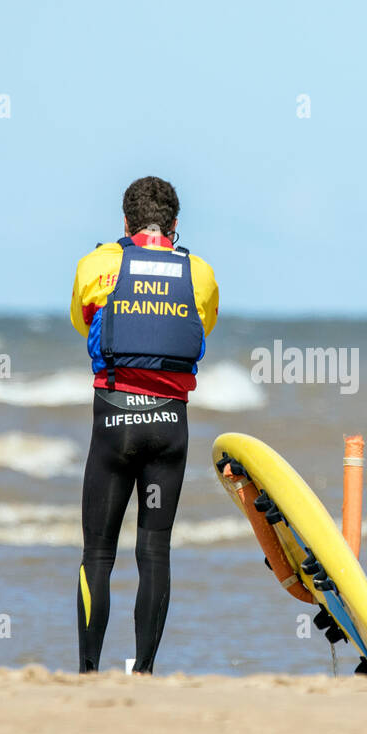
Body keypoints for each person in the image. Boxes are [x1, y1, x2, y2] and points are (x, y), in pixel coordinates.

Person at [69, 176, 219, 674]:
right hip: (168, 432)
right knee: (154, 550)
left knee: (98, 554)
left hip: (114, 426)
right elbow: (202, 325)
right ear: (175, 225)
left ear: (125, 222)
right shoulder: (199, 274)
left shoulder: (96, 266)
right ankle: (145, 672)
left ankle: (89, 672)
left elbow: (81, 319)